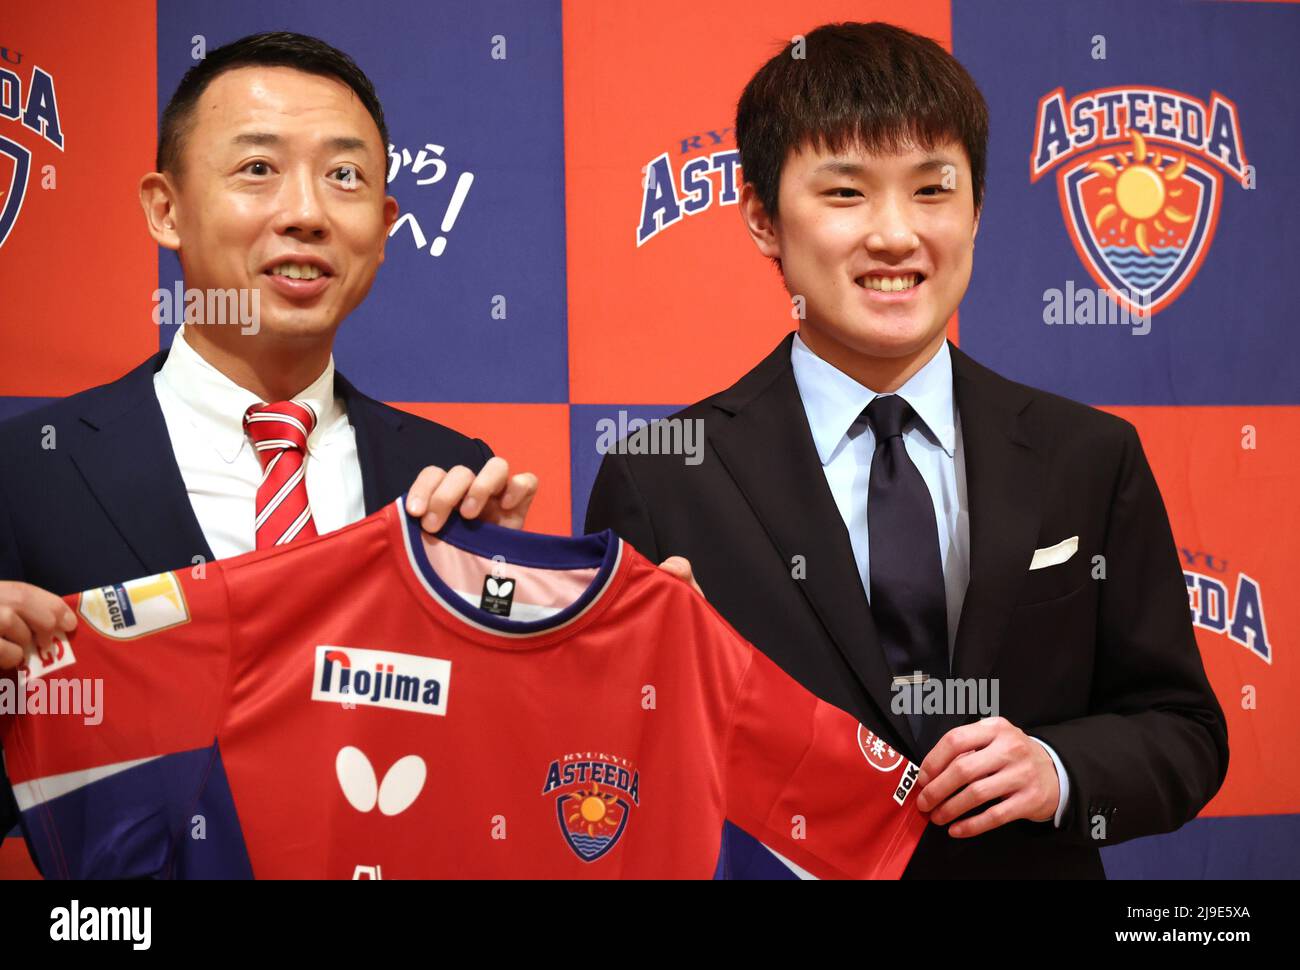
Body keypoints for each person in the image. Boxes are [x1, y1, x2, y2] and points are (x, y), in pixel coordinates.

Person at [585, 21, 1229, 878]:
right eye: (846, 194)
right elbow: (603, 777)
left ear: (976, 212)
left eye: (932, 191)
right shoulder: (663, 476)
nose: (895, 236)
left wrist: (1059, 771)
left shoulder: (1089, 454)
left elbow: (1183, 730)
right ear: (762, 219)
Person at [0, 33, 543, 836]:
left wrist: (527, 640)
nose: (306, 213)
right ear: (165, 208)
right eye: (258, 169)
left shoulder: (455, 483)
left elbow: (500, 793)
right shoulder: (25, 475)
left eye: (345, 177)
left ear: (385, 225)